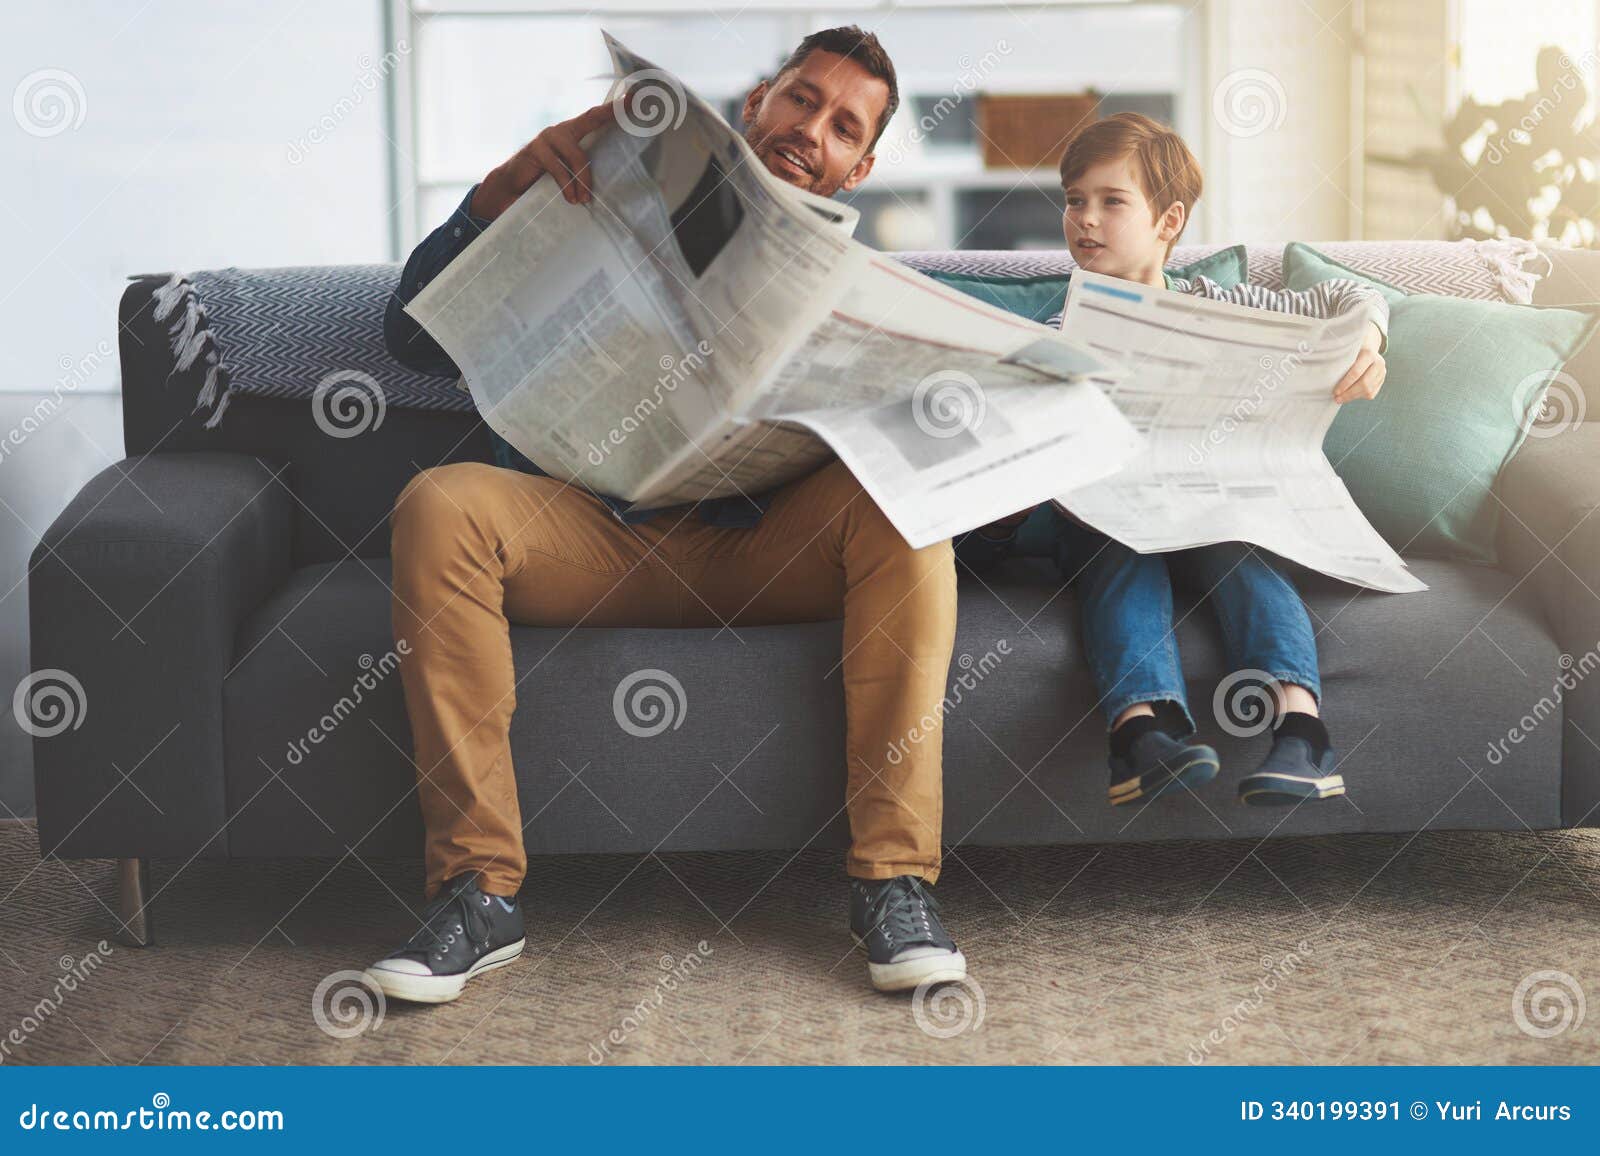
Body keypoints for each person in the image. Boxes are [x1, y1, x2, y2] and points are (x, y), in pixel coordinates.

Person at [367, 27, 968, 1004]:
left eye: (842, 125)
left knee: (911, 511)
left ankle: (893, 881)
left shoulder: (863, 286)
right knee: (440, 505)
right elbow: (409, 338)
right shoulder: (598, 191)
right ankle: (477, 892)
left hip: (765, 549)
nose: (812, 128)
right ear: (755, 105)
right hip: (594, 537)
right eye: (801, 100)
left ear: (860, 166)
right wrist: (500, 188)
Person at [958, 112, 1390, 810]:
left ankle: (1302, 733)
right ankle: (1140, 737)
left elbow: (1352, 295)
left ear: (1168, 221)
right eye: (1073, 200)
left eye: (1111, 200)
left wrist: (1368, 338)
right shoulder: (1052, 335)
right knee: (1113, 556)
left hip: (1212, 505)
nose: (1085, 219)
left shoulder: (1224, 304)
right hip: (1106, 520)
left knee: (1237, 551)